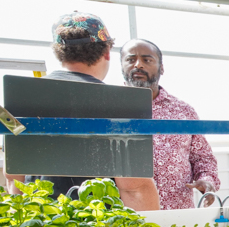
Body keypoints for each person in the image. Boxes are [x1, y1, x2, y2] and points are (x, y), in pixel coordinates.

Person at [10, 13, 159, 210]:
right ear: (106, 52)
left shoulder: (22, 95)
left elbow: (14, 180)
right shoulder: (121, 103)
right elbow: (134, 189)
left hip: (44, 222)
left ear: (59, 52)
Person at [121, 39, 220, 209]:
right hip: (129, 217)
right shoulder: (110, 109)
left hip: (179, 215)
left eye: (147, 60)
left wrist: (207, 180)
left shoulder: (183, 111)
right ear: (122, 66)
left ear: (161, 68)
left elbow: (203, 157)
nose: (138, 65)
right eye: (131, 59)